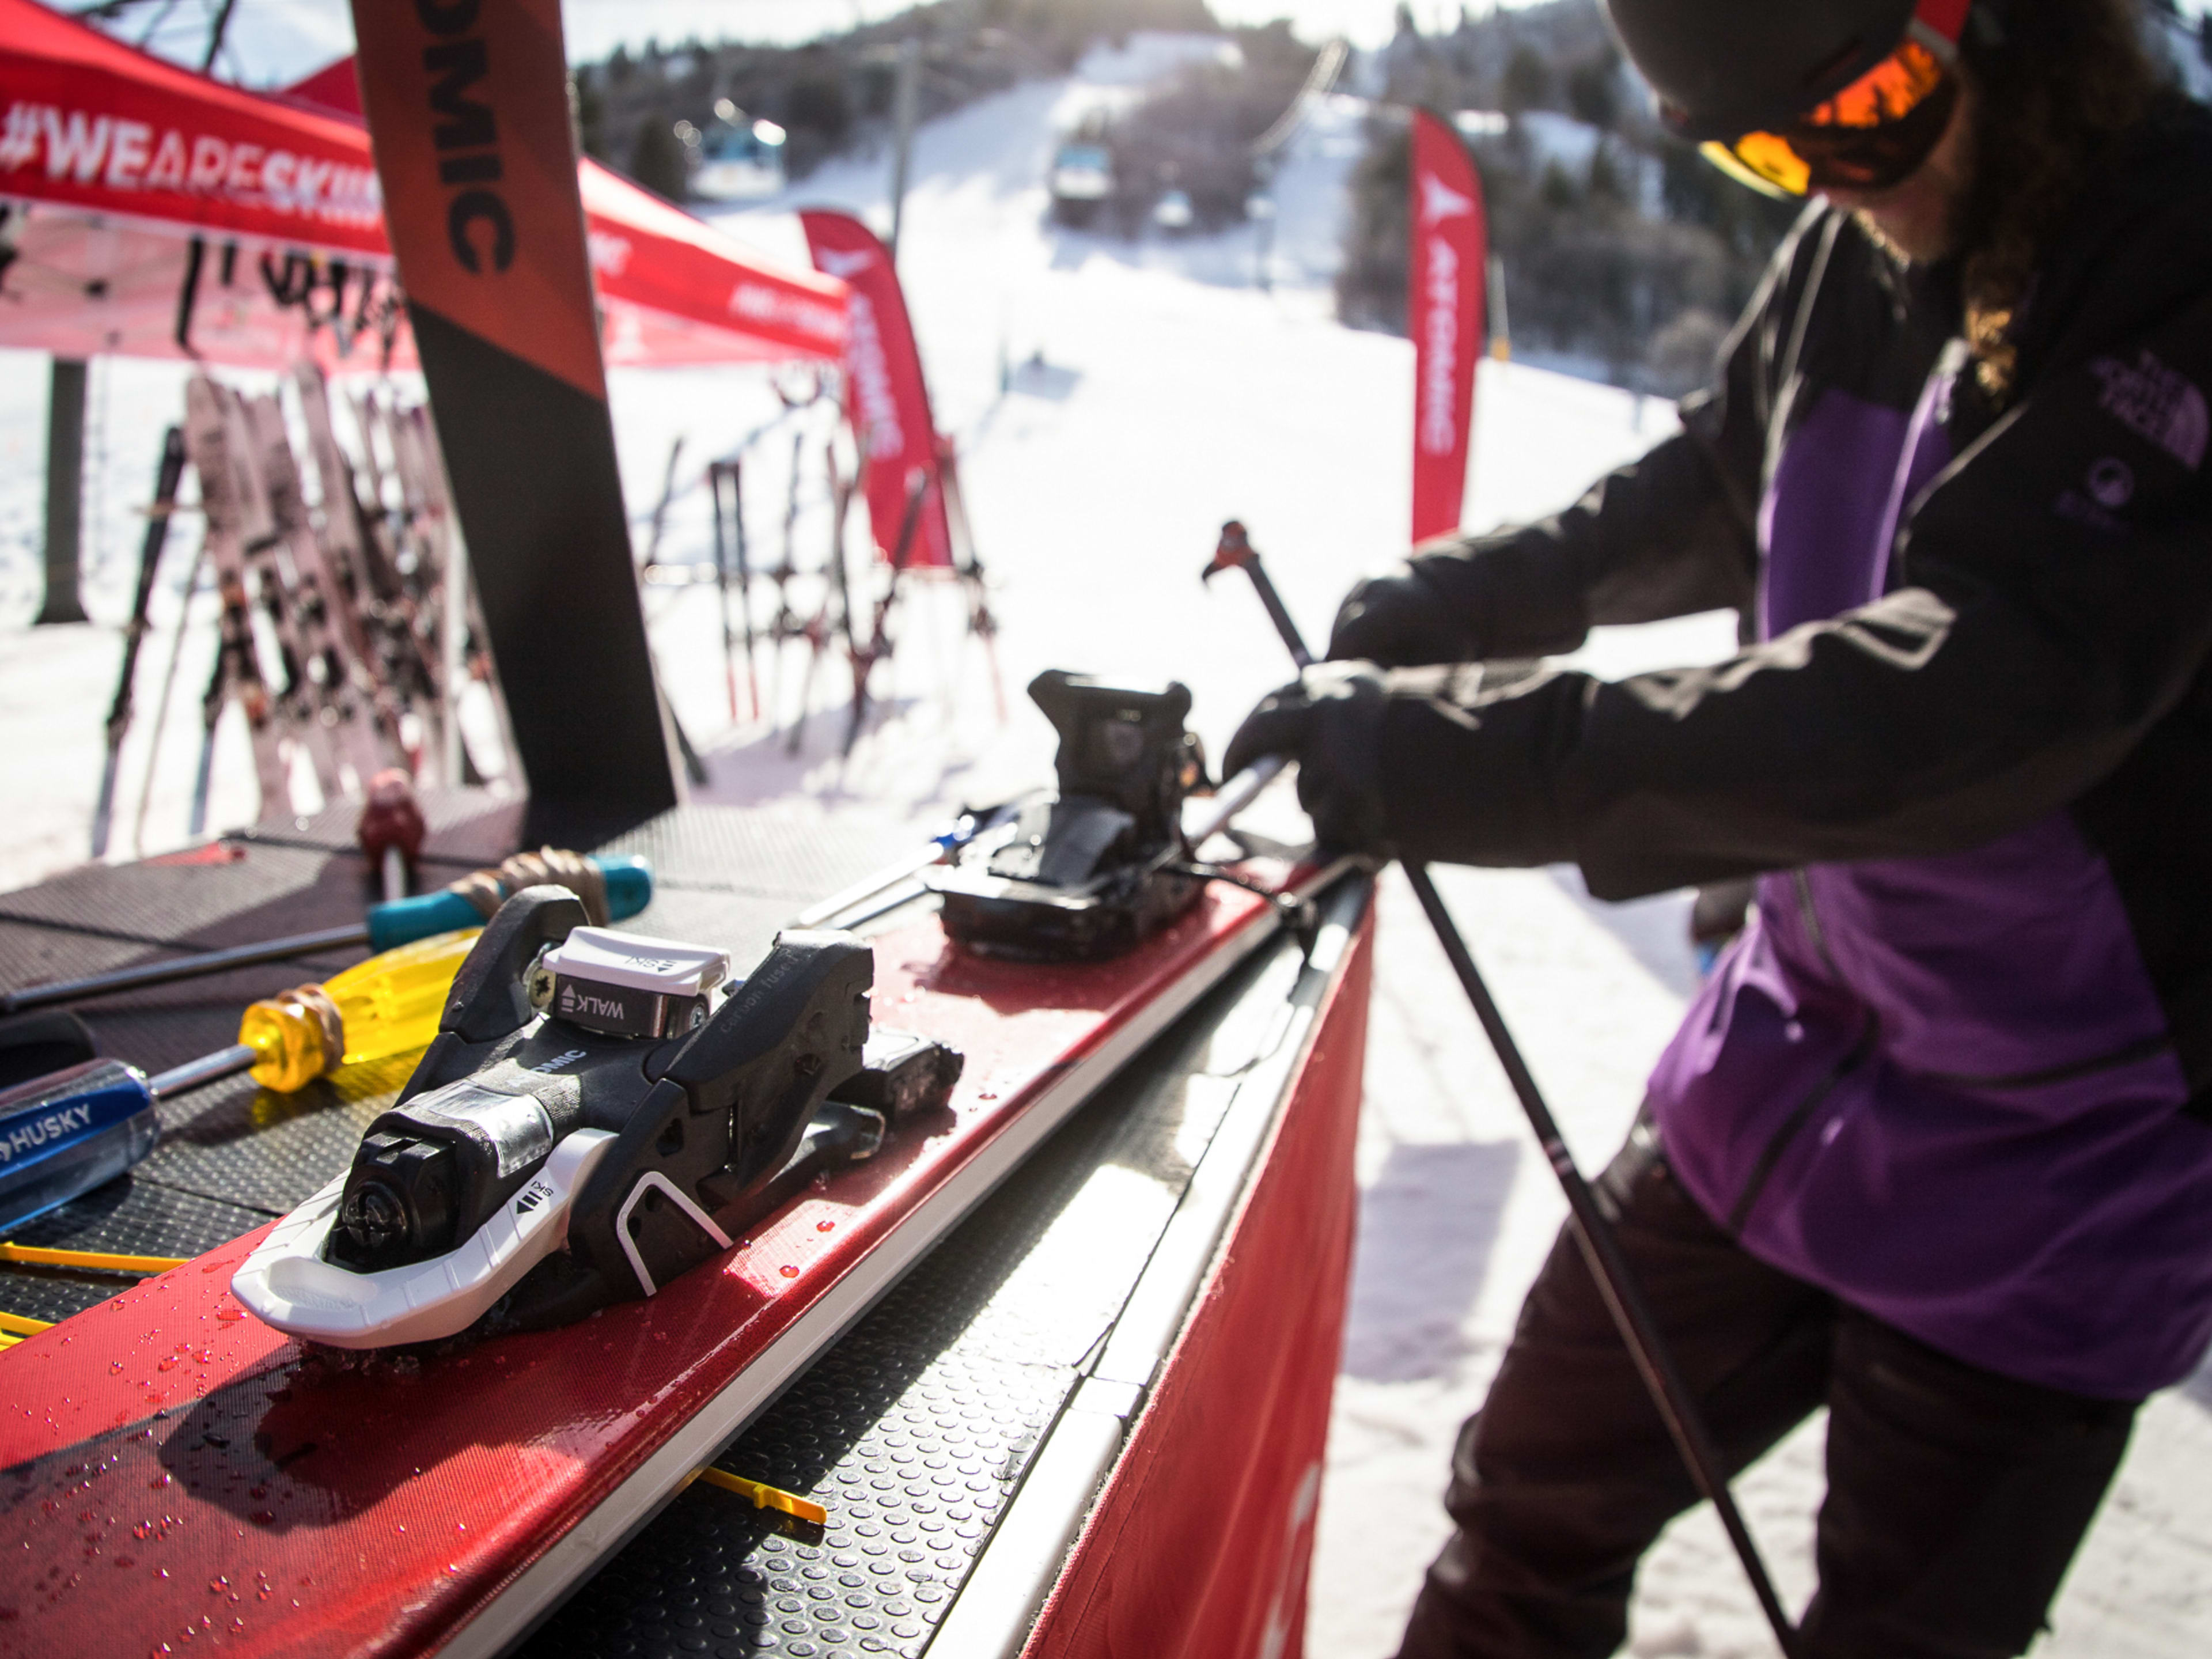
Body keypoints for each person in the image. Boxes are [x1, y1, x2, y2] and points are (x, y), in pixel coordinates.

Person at [1225, 2, 2212, 1654]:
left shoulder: (2178, 257)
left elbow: (1987, 690)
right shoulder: (1860, 236)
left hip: (2063, 1153)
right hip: (1784, 1060)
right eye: (1765, 155)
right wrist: (1472, 597)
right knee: (1525, 1511)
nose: (1836, 179)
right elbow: (1718, 470)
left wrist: (1483, 760)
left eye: (1869, 111)